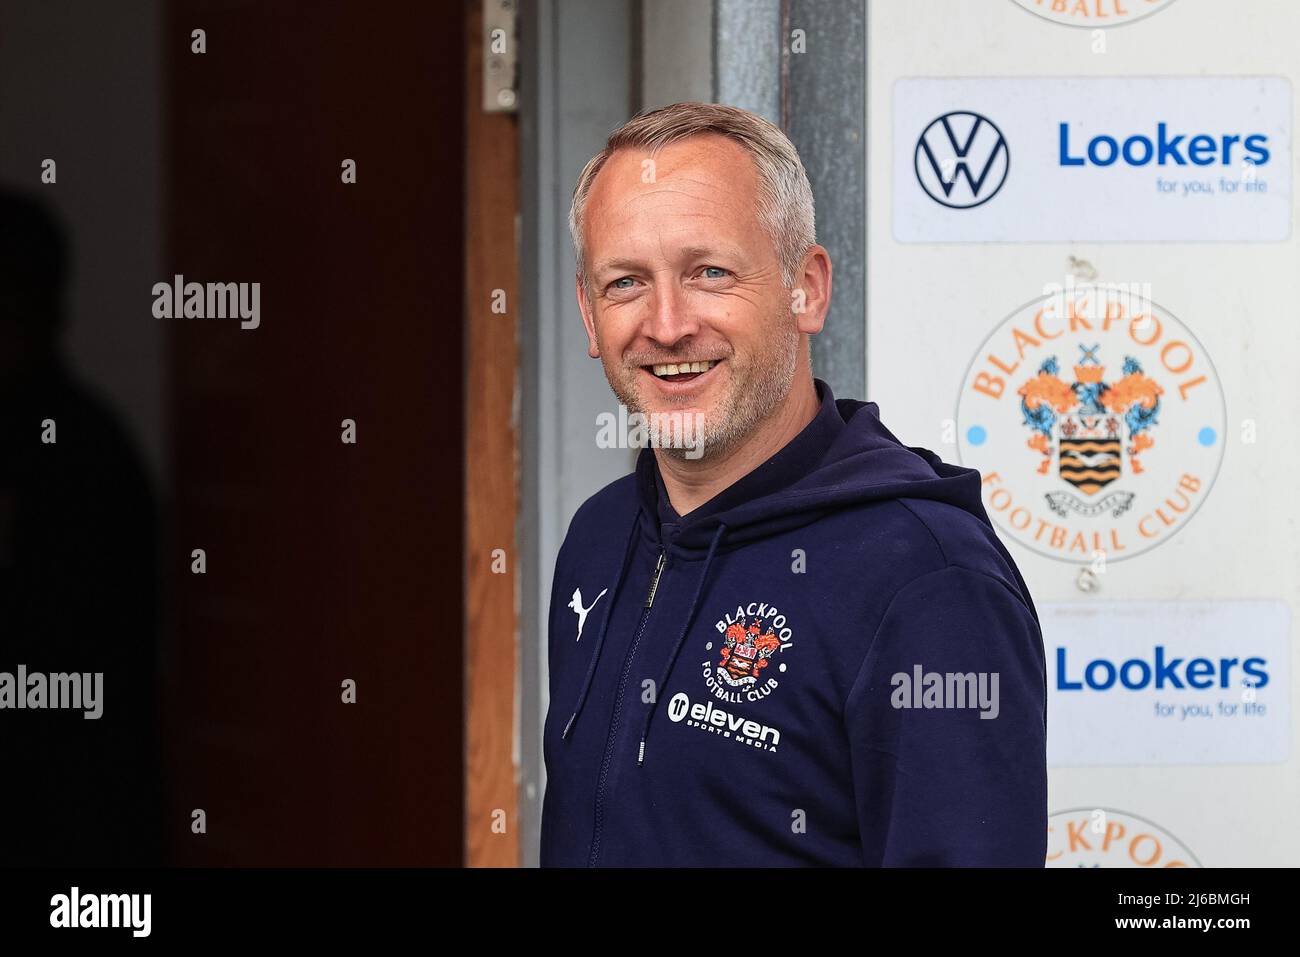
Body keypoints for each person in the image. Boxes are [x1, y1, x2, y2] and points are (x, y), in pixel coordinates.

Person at [539, 102, 1046, 867]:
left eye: (710, 272)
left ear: (805, 288)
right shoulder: (600, 536)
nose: (668, 324)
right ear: (587, 311)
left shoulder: (927, 582)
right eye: (626, 282)